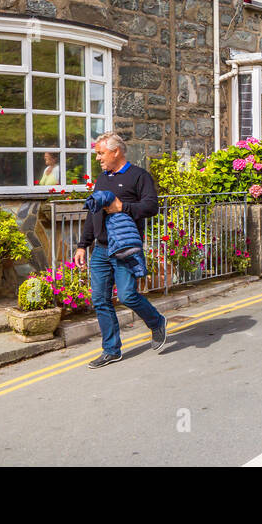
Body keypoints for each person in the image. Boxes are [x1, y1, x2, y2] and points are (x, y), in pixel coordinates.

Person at [74, 132, 166, 368]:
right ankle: (111, 350)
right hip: (101, 250)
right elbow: (92, 212)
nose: (97, 158)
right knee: (100, 299)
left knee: (127, 296)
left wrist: (122, 207)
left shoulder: (139, 176)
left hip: (124, 249)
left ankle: (156, 322)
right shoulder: (102, 178)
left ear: (116, 152)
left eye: (100, 153)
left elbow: (152, 206)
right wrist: (83, 245)